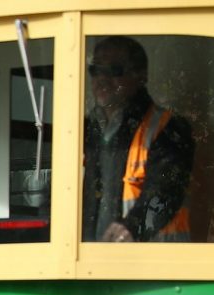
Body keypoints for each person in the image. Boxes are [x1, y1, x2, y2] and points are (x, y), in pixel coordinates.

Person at [83, 36, 195, 243]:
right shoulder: (83, 131)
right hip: (90, 263)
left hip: (152, 265)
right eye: (95, 70)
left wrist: (133, 227)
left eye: (114, 71)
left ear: (141, 76)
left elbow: (165, 191)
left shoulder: (169, 128)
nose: (102, 79)